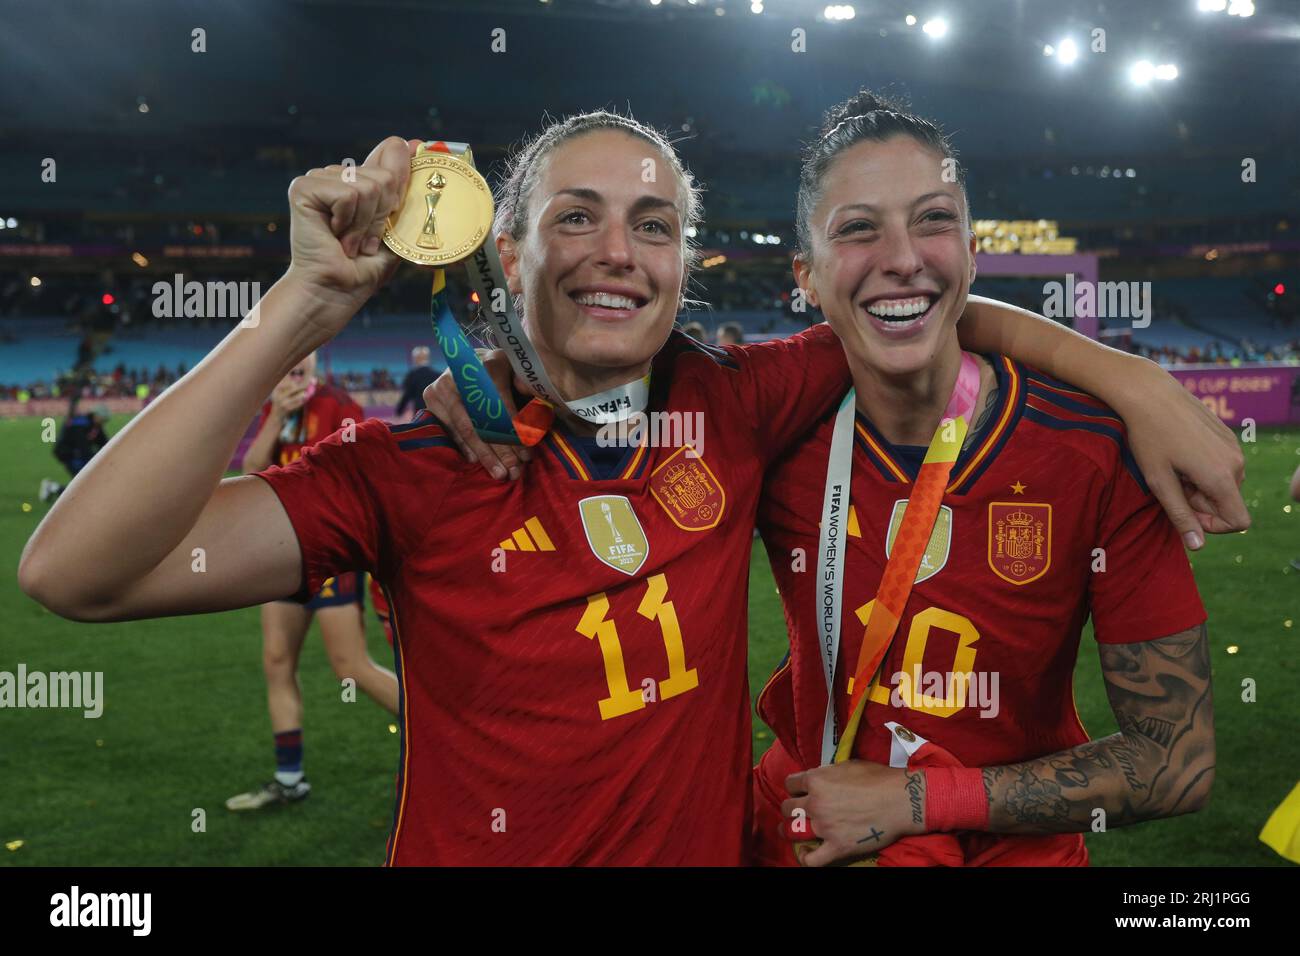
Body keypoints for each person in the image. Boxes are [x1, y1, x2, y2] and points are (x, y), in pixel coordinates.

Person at [21, 115, 1244, 866]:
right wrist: (302, 305)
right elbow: (71, 573)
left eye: (653, 224)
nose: (619, 248)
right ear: (507, 252)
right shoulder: (411, 472)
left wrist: (1126, 374)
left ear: (681, 264)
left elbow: (907, 295)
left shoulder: (736, 400)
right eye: (578, 217)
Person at [750, 91, 1216, 866]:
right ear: (805, 274)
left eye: (932, 219)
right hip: (803, 829)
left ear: (971, 252)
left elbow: (1178, 760)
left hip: (1011, 853)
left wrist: (924, 801)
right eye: (858, 228)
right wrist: (476, 372)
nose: (903, 256)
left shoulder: (1095, 450)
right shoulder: (768, 424)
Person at [226, 350, 400, 811]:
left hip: (332, 556)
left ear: (317, 366)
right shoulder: (275, 409)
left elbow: (369, 476)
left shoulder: (339, 406)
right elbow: (249, 475)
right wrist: (276, 416)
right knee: (277, 660)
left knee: (350, 667)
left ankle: (446, 734)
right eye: (288, 364)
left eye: (303, 365)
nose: (294, 372)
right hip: (280, 556)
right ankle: (290, 779)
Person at [39, 401, 110, 503]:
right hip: (68, 454)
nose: (104, 421)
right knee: (83, 484)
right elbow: (83, 448)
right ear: (95, 415)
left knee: (84, 483)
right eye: (103, 418)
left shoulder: (95, 425)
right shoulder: (80, 424)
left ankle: (53, 488)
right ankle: (53, 488)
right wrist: (96, 462)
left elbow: (104, 443)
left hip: (77, 454)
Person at [393, 345, 438, 421]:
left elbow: (407, 396)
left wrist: (398, 412)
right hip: (436, 414)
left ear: (415, 359)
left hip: (420, 415)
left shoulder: (412, 375)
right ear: (428, 358)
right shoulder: (437, 375)